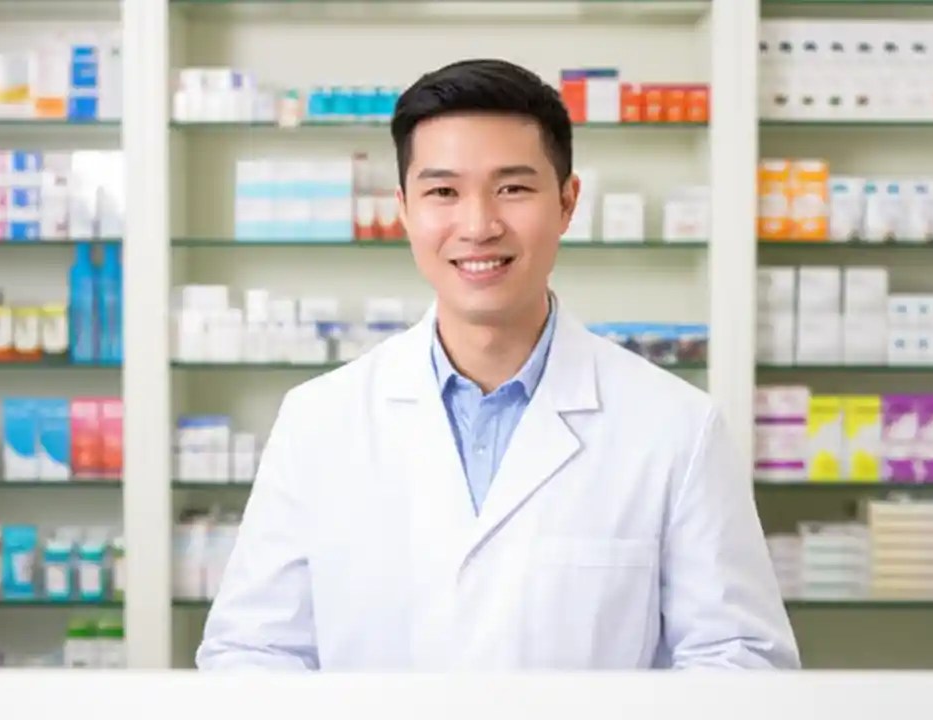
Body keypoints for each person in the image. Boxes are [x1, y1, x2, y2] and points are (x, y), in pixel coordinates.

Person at [196, 58, 800, 671]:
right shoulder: (318, 420)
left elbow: (739, 664)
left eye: (512, 188)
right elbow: (254, 653)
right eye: (442, 192)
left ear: (567, 203)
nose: (479, 225)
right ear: (404, 210)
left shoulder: (676, 428)